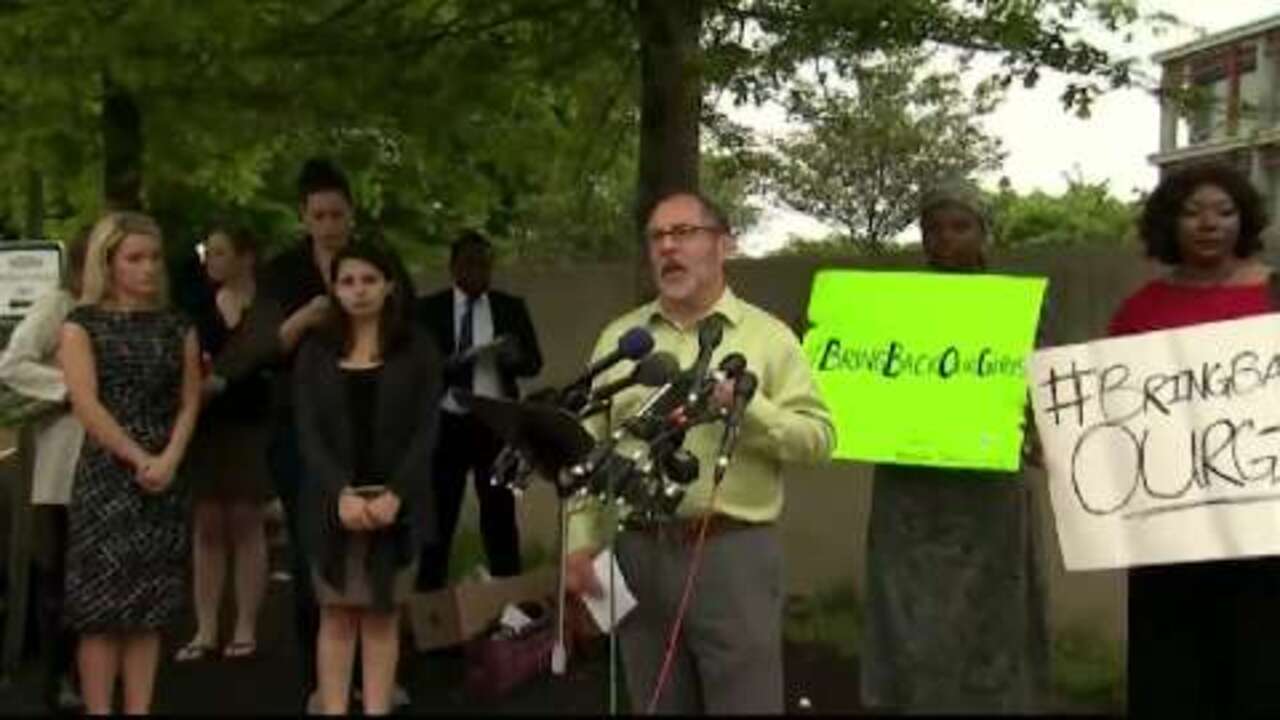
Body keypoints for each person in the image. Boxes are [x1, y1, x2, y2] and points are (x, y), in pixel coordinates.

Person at [563, 190, 834, 714]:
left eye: (684, 232)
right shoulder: (622, 339)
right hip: (636, 551)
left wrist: (748, 410)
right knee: (654, 702)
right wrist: (580, 543)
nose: (668, 247)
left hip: (732, 555)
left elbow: (818, 440)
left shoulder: (769, 338)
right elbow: (585, 449)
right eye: (657, 237)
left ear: (724, 245)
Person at [859, 182, 1051, 714]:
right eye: (933, 229)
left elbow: (1042, 384)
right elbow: (858, 373)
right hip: (911, 486)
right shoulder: (891, 308)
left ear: (984, 233)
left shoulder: (1016, 306)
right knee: (908, 603)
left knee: (993, 605)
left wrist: (1041, 432)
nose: (945, 239)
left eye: (960, 226)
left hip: (989, 487)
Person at [1107, 162, 1279, 717]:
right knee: (1171, 672)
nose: (1209, 224)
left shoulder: (1275, 295)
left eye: (1224, 212)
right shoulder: (1139, 310)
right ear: (1169, 223)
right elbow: (1109, 414)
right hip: (1168, 533)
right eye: (1192, 212)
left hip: (1263, 532)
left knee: (1260, 668)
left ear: (1243, 220)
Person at [57, 211, 202, 715]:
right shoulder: (82, 325)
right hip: (106, 479)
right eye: (135, 258)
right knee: (101, 613)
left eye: (154, 258)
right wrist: (139, 458)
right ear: (108, 263)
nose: (148, 268)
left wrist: (170, 458)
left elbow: (190, 400)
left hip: (164, 473)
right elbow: (86, 404)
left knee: (148, 610)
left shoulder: (177, 326)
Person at [294, 243, 441, 715]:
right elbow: (307, 430)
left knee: (382, 618)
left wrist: (397, 494)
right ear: (334, 290)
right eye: (348, 282)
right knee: (336, 618)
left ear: (389, 285)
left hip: (396, 506)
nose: (358, 291)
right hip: (331, 505)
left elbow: (427, 428)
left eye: (369, 280)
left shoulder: (416, 347)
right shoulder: (316, 350)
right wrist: (340, 493)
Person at [259, 157, 356, 710]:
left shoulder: (372, 264)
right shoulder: (281, 272)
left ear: (351, 215)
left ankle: (369, 671)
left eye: (337, 215)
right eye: (318, 216)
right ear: (304, 218)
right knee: (309, 549)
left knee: (366, 550)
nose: (328, 225)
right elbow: (262, 347)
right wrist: (304, 319)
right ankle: (317, 679)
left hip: (362, 422)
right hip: (296, 422)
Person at [414, 230, 542, 590]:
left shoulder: (509, 307)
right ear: (453, 267)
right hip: (446, 422)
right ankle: (429, 607)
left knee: (500, 517)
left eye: (485, 265)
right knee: (439, 519)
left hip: (494, 423)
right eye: (470, 264)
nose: (478, 272)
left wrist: (513, 357)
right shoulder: (430, 310)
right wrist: (452, 363)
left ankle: (512, 602)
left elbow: (534, 363)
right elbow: (417, 368)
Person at [0, 226, 90, 711]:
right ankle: (58, 676)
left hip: (110, 457)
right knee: (61, 569)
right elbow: (13, 363)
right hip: (63, 458)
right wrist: (69, 389)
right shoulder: (59, 306)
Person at [175, 226, 273, 663]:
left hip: (250, 421)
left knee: (246, 520)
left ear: (245, 256)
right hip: (204, 423)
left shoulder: (266, 305)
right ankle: (206, 628)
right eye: (208, 252)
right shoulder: (196, 305)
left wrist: (226, 374)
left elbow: (267, 355)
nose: (210, 260)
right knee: (207, 523)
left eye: (219, 252)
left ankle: (246, 625)